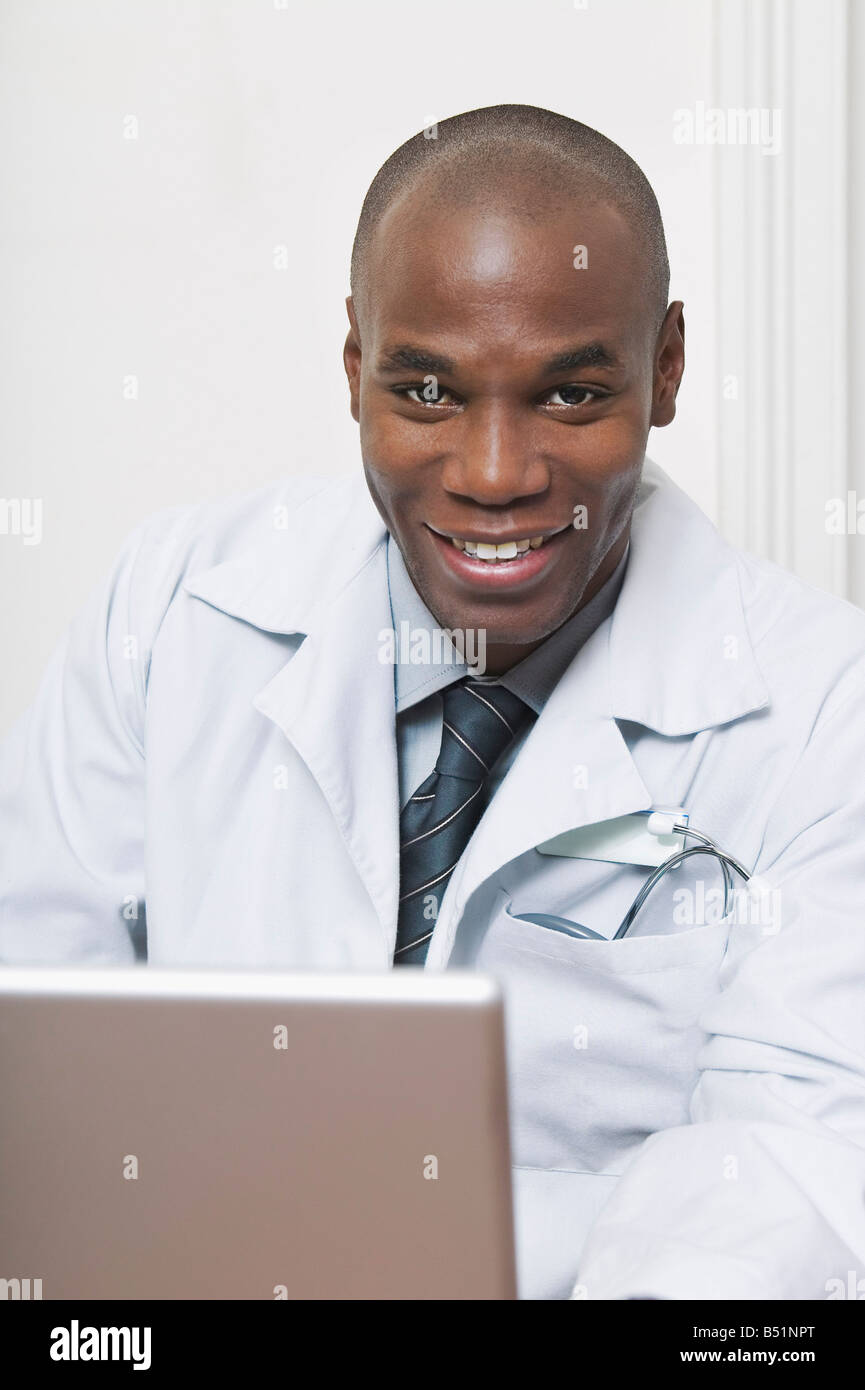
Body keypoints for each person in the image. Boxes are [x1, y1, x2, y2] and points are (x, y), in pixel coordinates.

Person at [2, 104, 864, 1301]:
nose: (495, 475)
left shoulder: (826, 713)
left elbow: (789, 1174)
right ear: (353, 367)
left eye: (570, 395)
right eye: (425, 391)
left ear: (666, 367)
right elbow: (39, 1061)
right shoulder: (174, 612)